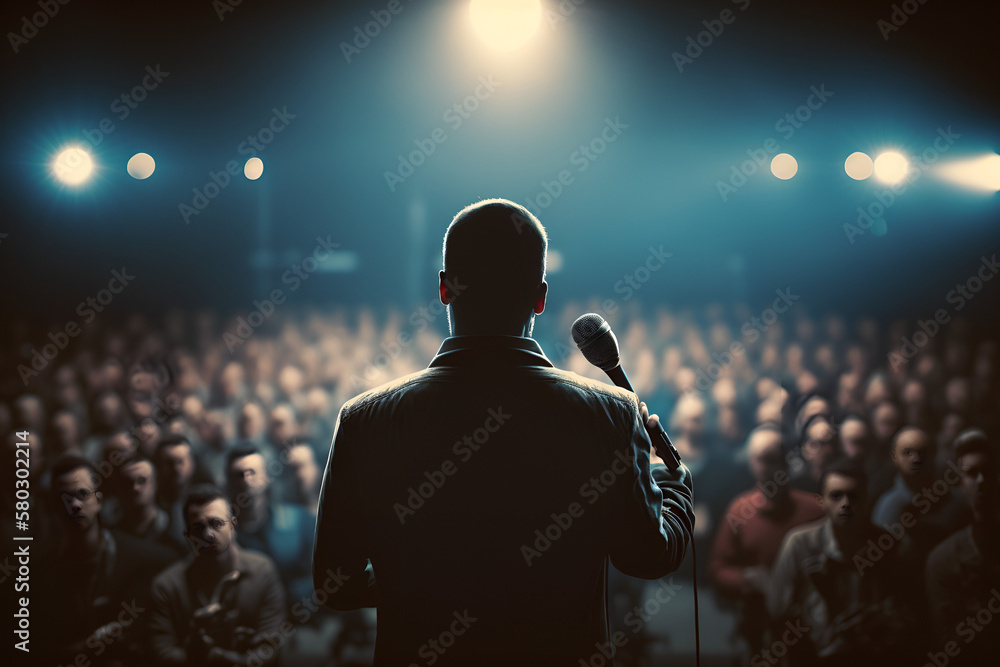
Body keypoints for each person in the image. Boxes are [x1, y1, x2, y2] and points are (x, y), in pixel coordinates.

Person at [312, 198, 695, 666]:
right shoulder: (611, 414)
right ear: (540, 297)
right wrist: (675, 487)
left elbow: (335, 584)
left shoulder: (365, 420)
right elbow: (648, 558)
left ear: (445, 289)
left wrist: (418, 586)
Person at [34, 455, 175, 666]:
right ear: (53, 506)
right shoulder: (40, 575)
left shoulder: (151, 561)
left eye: (82, 494)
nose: (74, 504)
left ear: (99, 501)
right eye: (64, 497)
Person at [768, 459, 912, 665]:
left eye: (853, 496)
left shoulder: (889, 547)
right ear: (821, 501)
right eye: (836, 496)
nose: (845, 504)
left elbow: (905, 612)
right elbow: (777, 609)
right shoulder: (800, 544)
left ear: (866, 498)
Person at [710, 425, 824, 656]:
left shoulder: (815, 509)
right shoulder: (740, 510)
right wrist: (746, 578)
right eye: (758, 459)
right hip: (759, 622)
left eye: (771, 459)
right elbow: (717, 567)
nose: (764, 468)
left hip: (812, 623)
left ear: (786, 460)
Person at [147, 485, 287, 666]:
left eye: (217, 523)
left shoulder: (262, 572)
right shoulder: (166, 586)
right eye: (198, 528)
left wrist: (215, 657)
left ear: (233, 525)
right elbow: (162, 655)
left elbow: (269, 650)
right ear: (188, 535)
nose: (208, 534)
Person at [925, 428, 1000, 665]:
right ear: (959, 482)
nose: (981, 481)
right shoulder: (944, 559)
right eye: (971, 473)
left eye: (987, 472)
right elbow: (951, 643)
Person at [226, 444, 316, 603]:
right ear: (229, 483)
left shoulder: (299, 520)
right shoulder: (227, 538)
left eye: (252, 472)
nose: (247, 480)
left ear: (265, 477)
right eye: (239, 475)